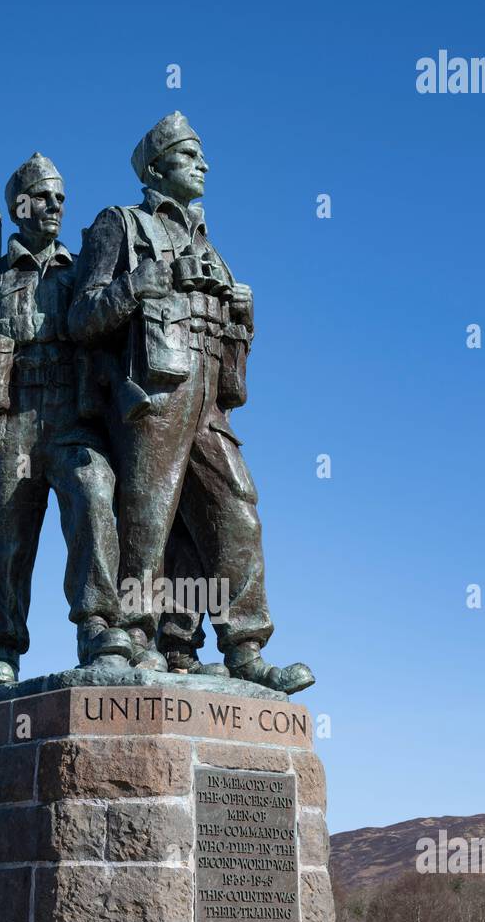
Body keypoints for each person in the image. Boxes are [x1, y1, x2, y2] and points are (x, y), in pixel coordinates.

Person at [68, 113, 314, 693]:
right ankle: (133, 636)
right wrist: (141, 281)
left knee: (235, 508)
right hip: (156, 388)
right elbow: (82, 318)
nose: (203, 165)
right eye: (189, 155)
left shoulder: (209, 243)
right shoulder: (120, 225)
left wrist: (243, 317)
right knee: (149, 518)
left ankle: (244, 647)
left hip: (209, 396)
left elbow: (228, 339)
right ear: (156, 167)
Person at [0, 153, 131, 690]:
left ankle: (98, 627)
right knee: (6, 536)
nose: (56, 206)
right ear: (18, 205)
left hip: (72, 417)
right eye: (44, 196)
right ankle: (3, 648)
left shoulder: (81, 273)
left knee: (94, 494)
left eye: (61, 198)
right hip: (10, 424)